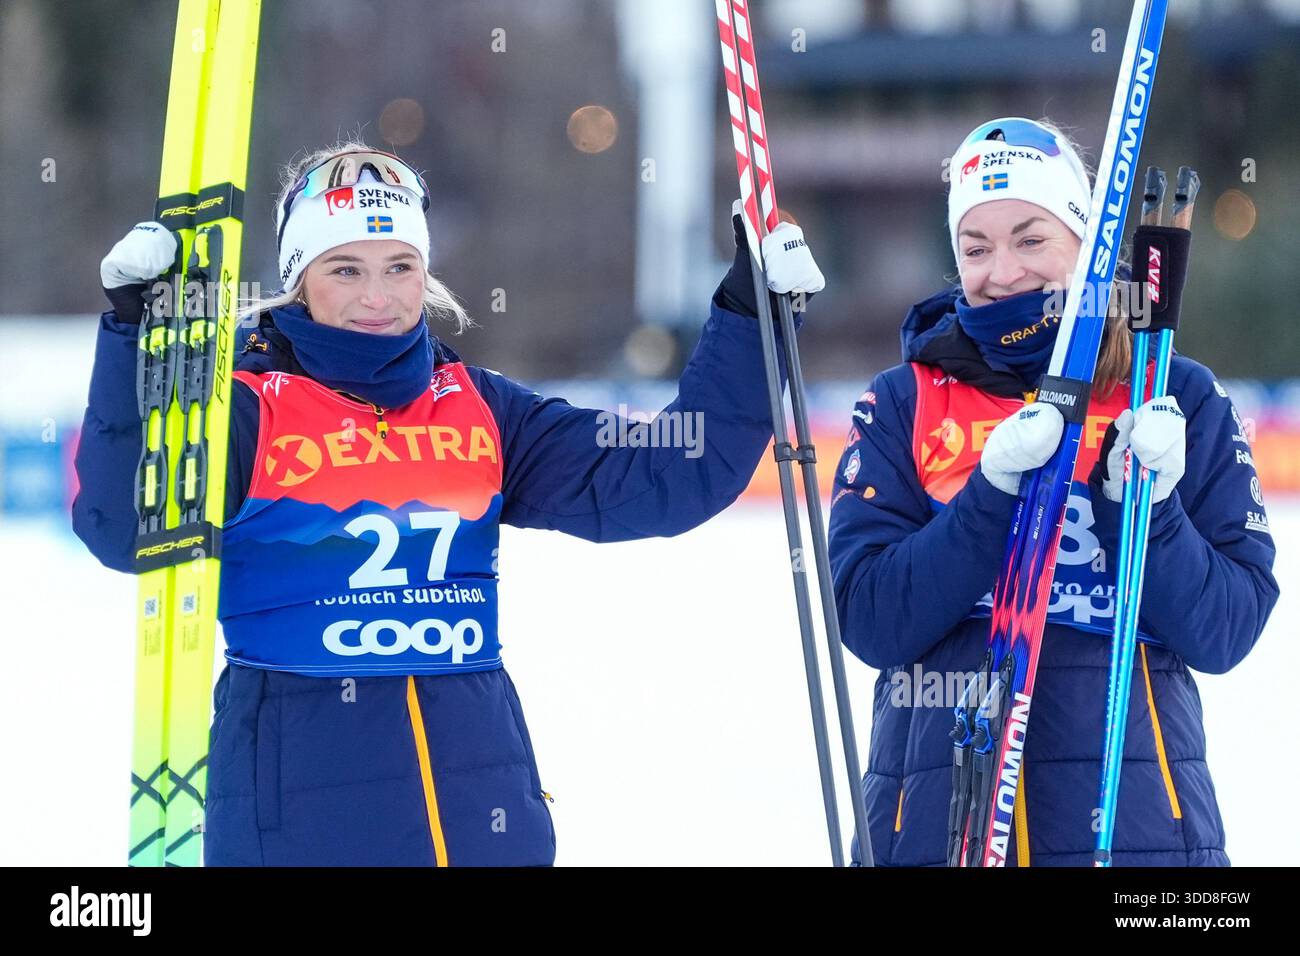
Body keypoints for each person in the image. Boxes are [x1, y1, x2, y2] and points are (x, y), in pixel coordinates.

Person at [74, 141, 825, 866]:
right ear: (299, 280)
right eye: (345, 269)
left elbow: (664, 481)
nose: (378, 295)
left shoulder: (479, 408)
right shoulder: (245, 410)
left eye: (400, 265)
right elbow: (123, 528)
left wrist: (752, 314)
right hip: (305, 824)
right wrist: (133, 334)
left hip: (478, 818)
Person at [828, 118, 1279, 866]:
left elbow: (1226, 630)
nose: (1002, 271)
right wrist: (990, 495)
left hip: (1136, 836)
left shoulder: (1175, 393)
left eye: (1031, 239)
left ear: (1087, 242)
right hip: (939, 833)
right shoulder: (904, 402)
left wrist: (1149, 512)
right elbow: (870, 619)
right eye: (975, 248)